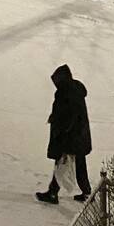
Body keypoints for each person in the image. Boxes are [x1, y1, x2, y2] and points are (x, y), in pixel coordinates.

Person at [36, 64, 92, 204]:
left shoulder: (66, 91)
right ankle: (87, 193)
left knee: (61, 163)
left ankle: (52, 193)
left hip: (69, 137)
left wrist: (62, 130)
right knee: (78, 163)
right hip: (79, 135)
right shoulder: (75, 89)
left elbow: (68, 115)